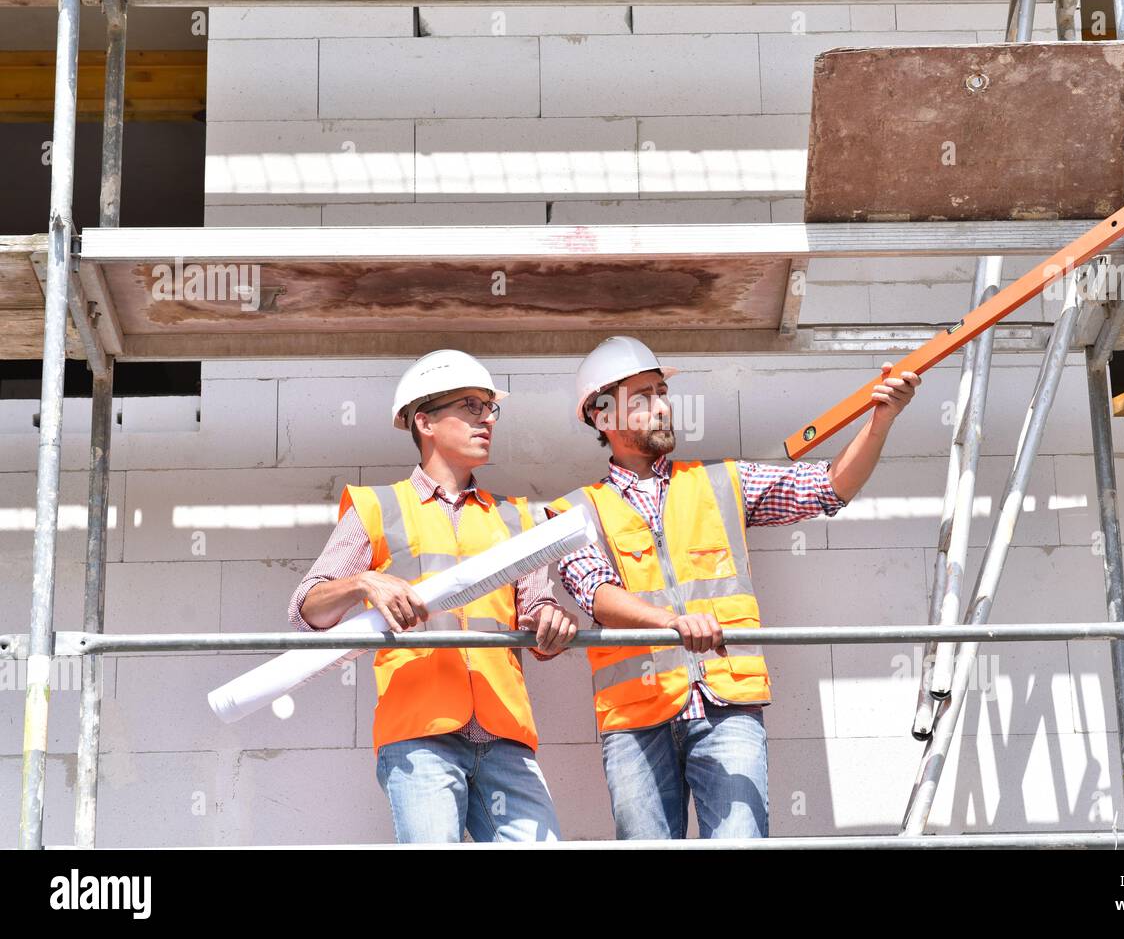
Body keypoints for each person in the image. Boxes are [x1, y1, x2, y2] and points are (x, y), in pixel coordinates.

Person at [547, 336, 919, 839]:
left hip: (727, 706)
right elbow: (596, 594)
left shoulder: (722, 482)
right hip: (637, 716)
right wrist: (673, 624)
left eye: (662, 392)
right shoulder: (573, 511)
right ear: (600, 415)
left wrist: (882, 419)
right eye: (644, 397)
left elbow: (830, 487)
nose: (662, 407)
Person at [288, 349, 578, 843]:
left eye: (491, 408)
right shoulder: (378, 508)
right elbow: (305, 612)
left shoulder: (514, 518)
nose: (487, 419)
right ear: (424, 421)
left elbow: (534, 610)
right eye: (470, 406)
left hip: (504, 734)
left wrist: (551, 623)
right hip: (420, 734)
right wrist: (363, 582)